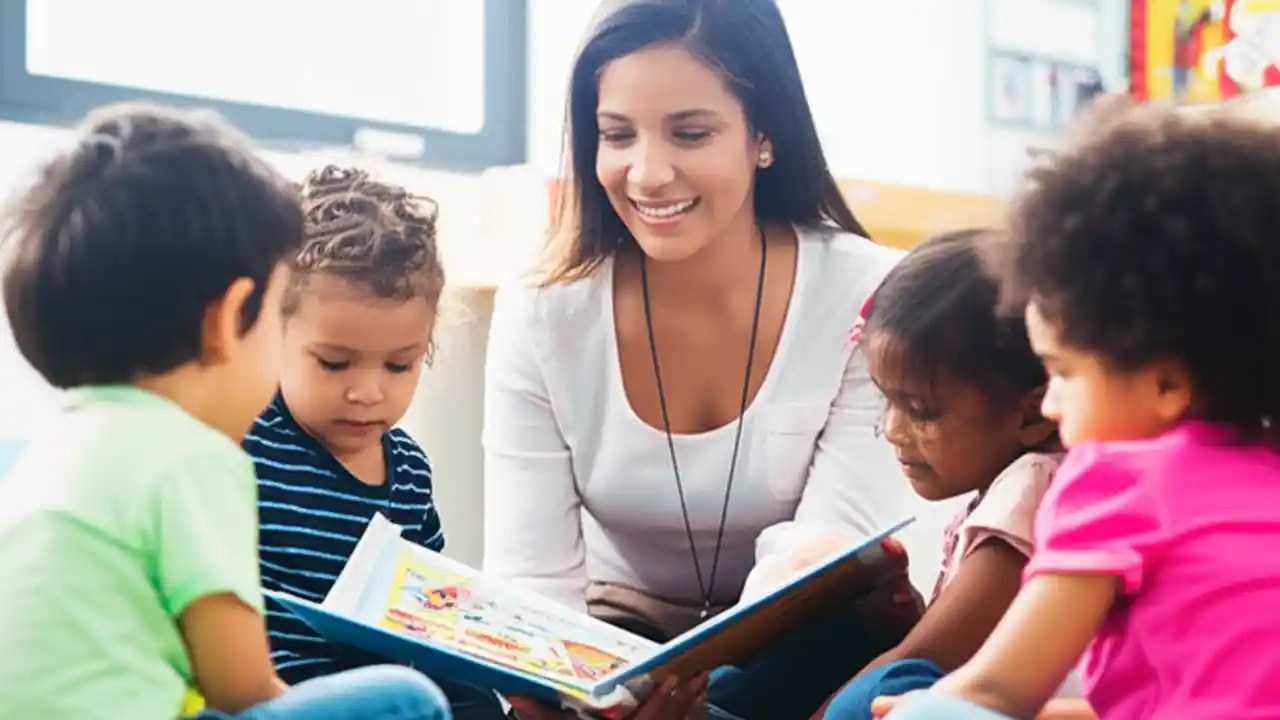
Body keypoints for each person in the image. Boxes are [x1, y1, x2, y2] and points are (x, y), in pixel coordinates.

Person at [482, 1, 915, 717]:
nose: (648, 174)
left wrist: (701, 686)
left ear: (764, 134)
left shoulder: (871, 296)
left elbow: (826, 549)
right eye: (617, 135)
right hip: (612, 643)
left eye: (690, 133)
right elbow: (532, 588)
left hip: (799, 640)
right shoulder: (541, 313)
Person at [0, 103, 449, 719]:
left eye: (399, 366)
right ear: (230, 318)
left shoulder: (54, 447)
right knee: (407, 700)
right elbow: (242, 691)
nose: (367, 390)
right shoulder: (197, 458)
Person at [877, 104, 1280, 719]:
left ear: (1167, 384)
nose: (1051, 400)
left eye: (1062, 371)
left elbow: (997, 689)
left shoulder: (1114, 481)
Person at [247, 165, 505, 718]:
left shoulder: (408, 470)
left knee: (479, 702)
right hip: (273, 694)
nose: (367, 392)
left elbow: (429, 607)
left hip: (382, 689)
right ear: (272, 333)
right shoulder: (247, 439)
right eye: (334, 363)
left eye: (399, 365)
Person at [810, 230, 1062, 720]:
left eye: (921, 411)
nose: (893, 431)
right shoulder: (1009, 479)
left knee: (861, 697)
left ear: (1031, 416)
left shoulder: (1032, 488)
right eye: (888, 400)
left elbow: (925, 661)